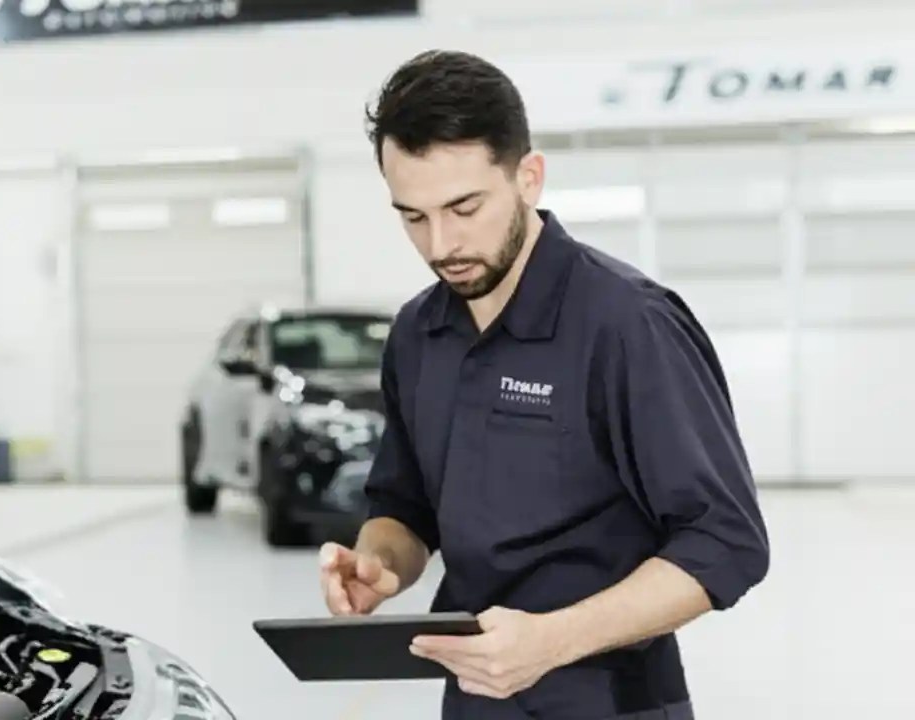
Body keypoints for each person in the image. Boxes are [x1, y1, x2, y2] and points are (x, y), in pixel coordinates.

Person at [317, 49, 770, 720]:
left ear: (528, 177)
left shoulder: (626, 323)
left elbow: (728, 541)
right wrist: (380, 565)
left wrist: (552, 641)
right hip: (473, 700)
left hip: (611, 703)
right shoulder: (417, 333)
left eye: (464, 206)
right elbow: (405, 507)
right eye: (413, 216)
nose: (441, 244)